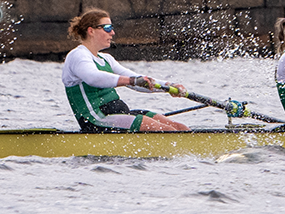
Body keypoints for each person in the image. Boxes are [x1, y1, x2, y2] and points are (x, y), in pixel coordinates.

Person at [61, 9, 190, 133]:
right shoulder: (77, 55)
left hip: (118, 114)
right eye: (107, 28)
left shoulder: (106, 59)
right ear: (91, 31)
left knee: (178, 127)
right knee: (166, 131)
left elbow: (136, 79)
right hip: (96, 119)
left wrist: (168, 87)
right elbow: (93, 78)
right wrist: (132, 81)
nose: (112, 33)